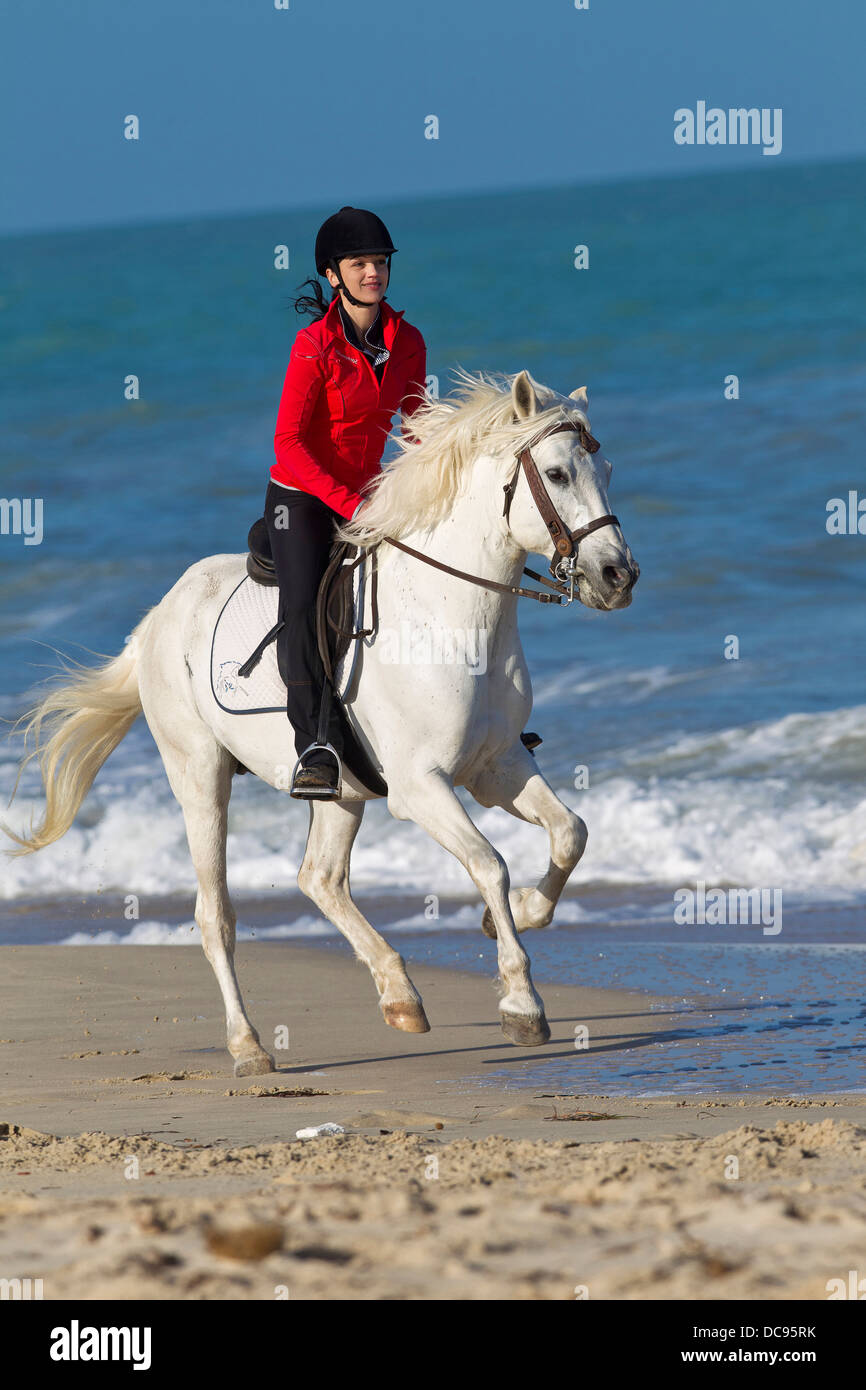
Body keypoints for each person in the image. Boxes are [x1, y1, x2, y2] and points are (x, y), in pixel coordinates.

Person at [265, 206, 427, 798]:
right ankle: (314, 744)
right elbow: (288, 442)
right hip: (301, 496)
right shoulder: (313, 345)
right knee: (305, 605)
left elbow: (414, 426)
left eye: (380, 262)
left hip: (364, 493)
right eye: (360, 263)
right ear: (333, 274)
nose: (373, 272)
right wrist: (347, 503)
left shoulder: (408, 341)